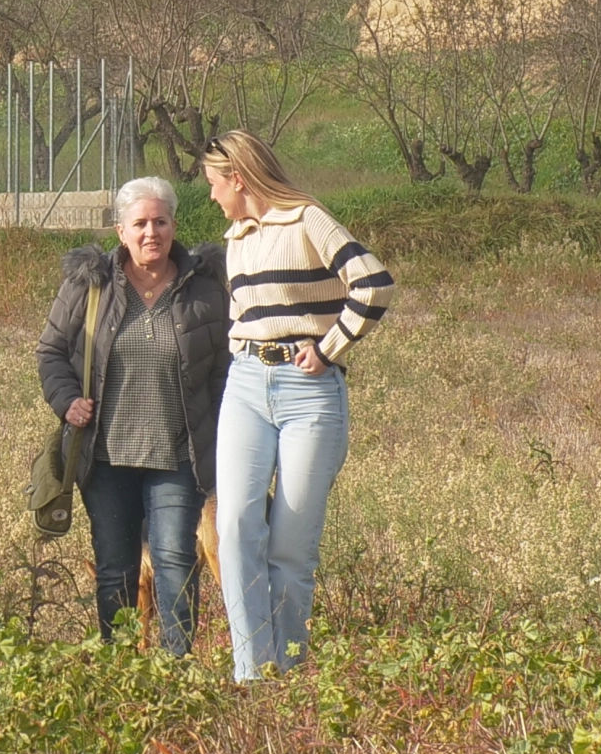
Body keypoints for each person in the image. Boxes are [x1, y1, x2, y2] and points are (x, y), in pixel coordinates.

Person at [202, 129, 394, 682]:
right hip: (244, 384)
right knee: (236, 527)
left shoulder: (308, 218)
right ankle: (251, 676)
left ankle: (286, 674)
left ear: (238, 178)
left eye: (216, 184)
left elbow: (374, 284)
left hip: (308, 394)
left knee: (289, 545)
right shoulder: (236, 234)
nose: (212, 195)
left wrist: (330, 348)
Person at [36, 176, 229, 650]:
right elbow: (51, 352)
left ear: (174, 225)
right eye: (139, 223)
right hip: (105, 458)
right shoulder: (90, 286)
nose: (151, 233)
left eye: (160, 222)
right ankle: (120, 672)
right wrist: (68, 401)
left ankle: (177, 674)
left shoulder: (205, 290)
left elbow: (227, 369)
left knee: (175, 564)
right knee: (114, 571)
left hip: (180, 456)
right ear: (120, 230)